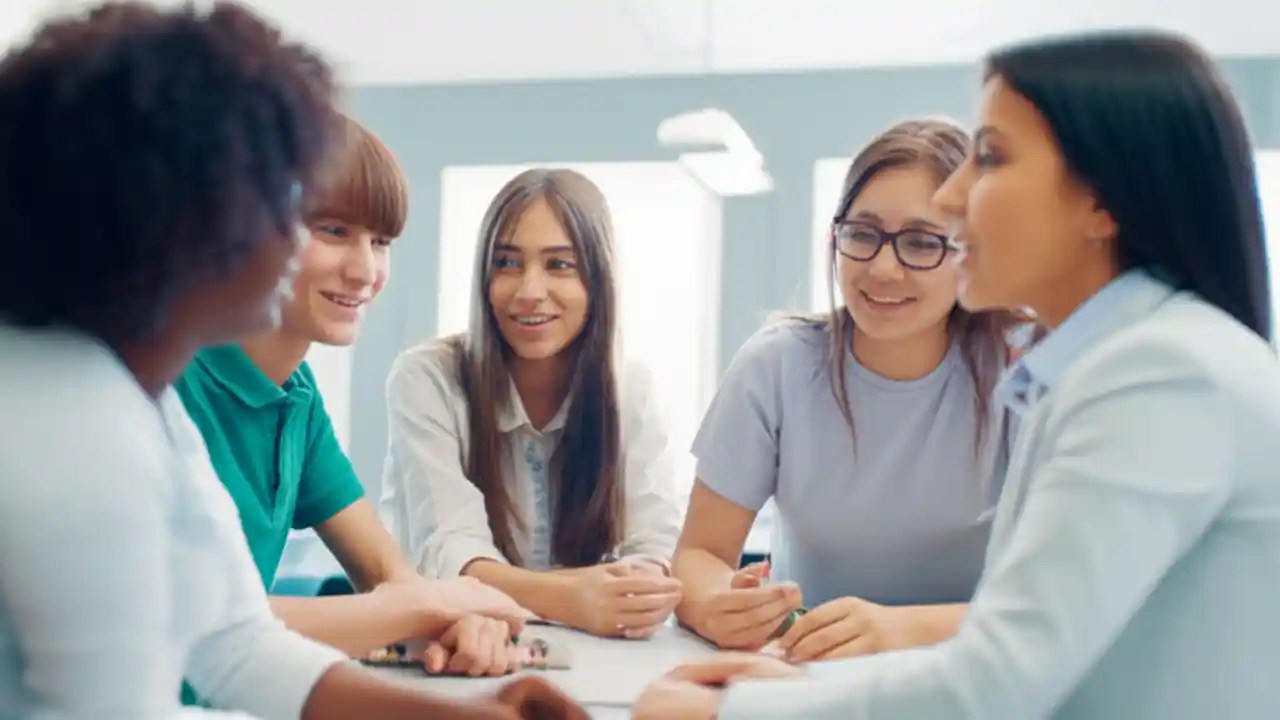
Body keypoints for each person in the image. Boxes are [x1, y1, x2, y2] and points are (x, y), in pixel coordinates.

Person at [633, 30, 1280, 720]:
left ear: (1103, 202)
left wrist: (727, 711)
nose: (953, 195)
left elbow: (996, 680)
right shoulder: (1122, 362)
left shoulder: (1160, 377)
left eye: (991, 157)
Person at [0, 3, 584, 718]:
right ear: (177, 215)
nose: (296, 238)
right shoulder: (71, 422)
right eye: (288, 206)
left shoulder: (132, 396)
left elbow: (231, 641)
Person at [174, 111, 527, 677]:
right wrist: (424, 608)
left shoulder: (297, 395)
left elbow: (388, 574)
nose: (365, 271)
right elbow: (184, 620)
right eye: (334, 231)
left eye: (380, 241)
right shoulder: (169, 381)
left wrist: (449, 622)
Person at [673, 119, 1015, 661]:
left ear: (969, 250)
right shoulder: (778, 364)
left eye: (921, 243)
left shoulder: (1022, 372)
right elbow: (698, 555)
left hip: (976, 678)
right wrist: (716, 603)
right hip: (808, 672)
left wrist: (902, 630)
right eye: (862, 234)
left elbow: (1061, 602)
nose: (882, 268)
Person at [380, 168, 684, 639]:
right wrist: (576, 596)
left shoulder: (630, 388)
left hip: (599, 657)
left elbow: (656, 548)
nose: (528, 292)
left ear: (598, 280)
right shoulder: (427, 378)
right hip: (454, 650)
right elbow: (451, 557)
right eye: (506, 263)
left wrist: (634, 588)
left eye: (559, 264)